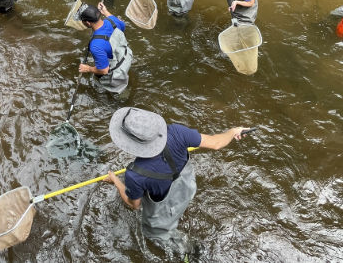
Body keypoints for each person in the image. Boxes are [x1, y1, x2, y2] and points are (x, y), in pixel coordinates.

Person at [104, 107, 250, 253]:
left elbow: (134, 205)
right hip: (187, 187)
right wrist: (233, 131)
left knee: (154, 235)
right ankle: (181, 217)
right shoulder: (176, 131)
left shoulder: (134, 174)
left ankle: (190, 252)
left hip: (165, 207)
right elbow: (216, 143)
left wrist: (115, 180)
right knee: (178, 207)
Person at [78, 3, 132, 93]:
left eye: (82, 21)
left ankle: (123, 95)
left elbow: (104, 70)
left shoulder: (95, 45)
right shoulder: (111, 20)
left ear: (87, 22)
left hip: (117, 71)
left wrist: (88, 68)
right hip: (126, 56)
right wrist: (106, 12)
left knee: (118, 92)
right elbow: (122, 26)